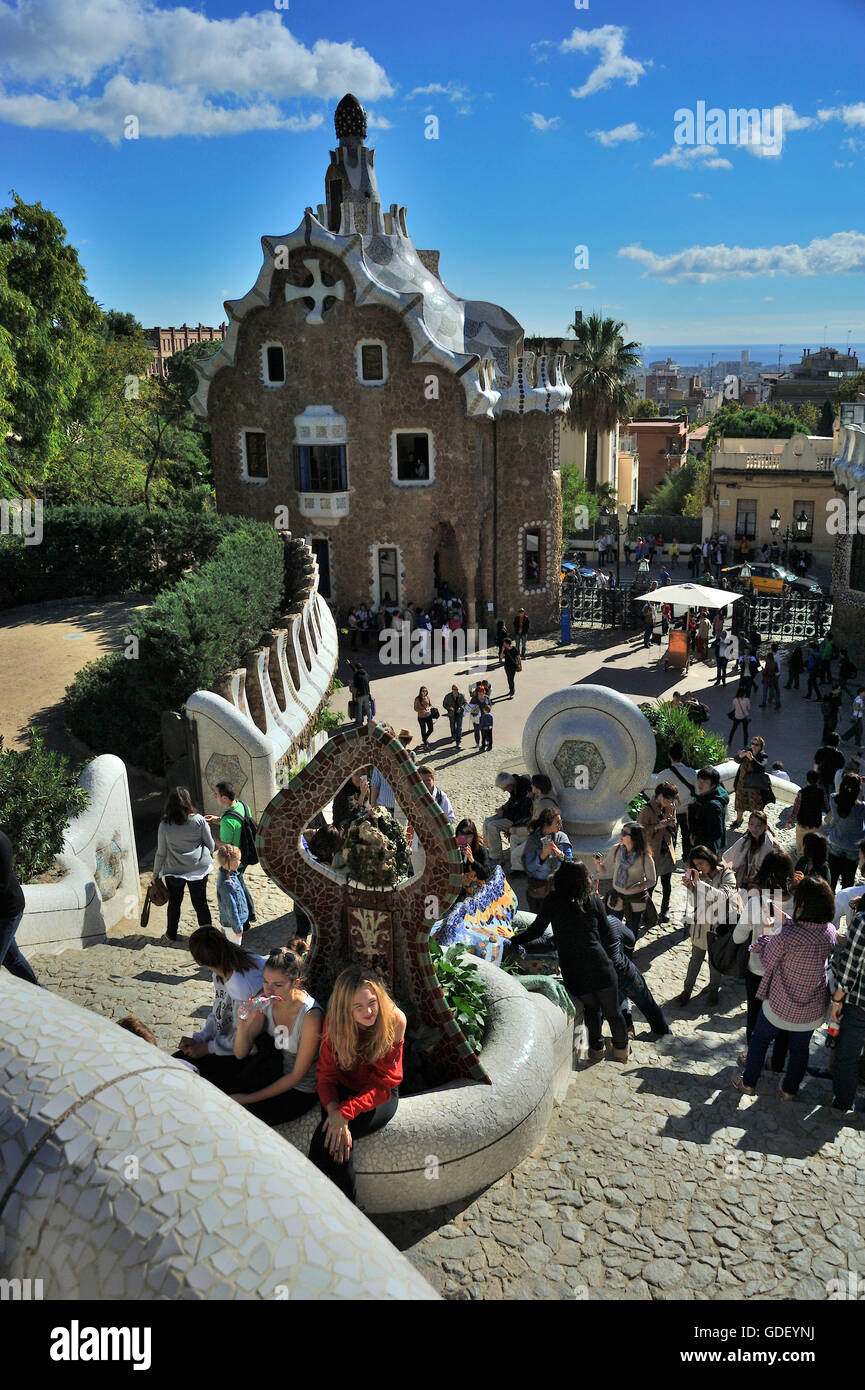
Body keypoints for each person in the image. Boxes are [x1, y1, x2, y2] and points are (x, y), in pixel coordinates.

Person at [511, 860, 631, 1060]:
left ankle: (596, 1049)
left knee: (592, 1009)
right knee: (613, 1012)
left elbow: (537, 929)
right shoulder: (593, 900)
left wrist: (515, 940)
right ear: (585, 879)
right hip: (599, 964)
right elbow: (606, 932)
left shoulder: (553, 900)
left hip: (574, 969)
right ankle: (620, 1051)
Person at [308, 966, 405, 1203]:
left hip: (379, 1093)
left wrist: (345, 1113)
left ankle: (321, 1204)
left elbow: (384, 1084)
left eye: (372, 1002)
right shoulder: (335, 1022)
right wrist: (334, 1112)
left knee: (325, 1142)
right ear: (345, 1009)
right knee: (338, 1144)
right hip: (342, 1087)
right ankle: (340, 1209)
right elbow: (326, 1076)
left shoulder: (394, 1020)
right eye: (358, 1007)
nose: (369, 1011)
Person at [734, 876, 837, 1100]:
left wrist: (769, 931)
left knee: (759, 1040)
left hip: (780, 1006)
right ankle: (789, 1090)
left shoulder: (786, 937)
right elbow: (807, 931)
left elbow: (768, 960)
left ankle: (748, 1083)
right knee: (800, 1051)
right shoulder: (829, 932)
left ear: (802, 905)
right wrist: (786, 920)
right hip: (811, 1009)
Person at [230, 946, 323, 1124]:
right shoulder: (265, 1000)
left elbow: (297, 1075)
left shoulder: (310, 1016)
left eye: (278, 985)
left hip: (300, 1088)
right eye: (265, 982)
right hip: (274, 1070)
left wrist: (246, 1099)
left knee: (244, 1119)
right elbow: (240, 1053)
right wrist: (243, 1027)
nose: (269, 990)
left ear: (295, 983)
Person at [177, 928, 268, 1090]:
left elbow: (244, 1038)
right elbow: (219, 1009)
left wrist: (206, 1048)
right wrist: (201, 1038)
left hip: (246, 1053)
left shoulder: (242, 987)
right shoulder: (226, 967)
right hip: (225, 1046)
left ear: (199, 963)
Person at [732, 850, 794, 1061]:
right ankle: (777, 1063)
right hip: (788, 974)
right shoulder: (799, 902)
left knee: (755, 1017)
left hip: (758, 970)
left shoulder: (755, 903)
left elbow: (738, 938)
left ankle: (753, 1059)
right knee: (784, 1022)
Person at [675, 846, 739, 1008]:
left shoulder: (727, 875)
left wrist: (699, 884)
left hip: (719, 926)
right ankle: (686, 991)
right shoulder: (699, 876)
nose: (699, 868)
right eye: (696, 865)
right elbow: (695, 903)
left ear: (710, 859)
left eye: (701, 863)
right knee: (695, 960)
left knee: (714, 962)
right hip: (701, 925)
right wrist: (691, 888)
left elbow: (723, 896)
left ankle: (713, 991)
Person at [152, 786, 214, 945]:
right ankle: (208, 936)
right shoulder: (199, 820)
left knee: (174, 903)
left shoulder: (164, 825)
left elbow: (161, 852)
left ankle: (171, 934)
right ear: (188, 802)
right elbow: (211, 845)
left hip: (174, 871)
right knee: (200, 903)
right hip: (198, 869)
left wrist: (155, 874)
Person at [829, 898, 865, 1113]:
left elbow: (850, 969)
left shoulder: (862, 922)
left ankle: (842, 1105)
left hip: (858, 1004)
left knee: (847, 1057)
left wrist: (837, 1001)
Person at [207, 781, 257, 924]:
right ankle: (251, 914)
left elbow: (224, 845)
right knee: (240, 883)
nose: (214, 796)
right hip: (245, 854)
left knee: (237, 889)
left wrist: (209, 834)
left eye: (216, 794)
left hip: (235, 860)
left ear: (224, 798)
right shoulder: (242, 805)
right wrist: (217, 819)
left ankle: (246, 917)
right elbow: (238, 823)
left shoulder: (227, 821)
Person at [596, 822, 656, 938]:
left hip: (635, 900)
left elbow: (651, 880)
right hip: (616, 898)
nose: (621, 835)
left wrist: (639, 886)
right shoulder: (616, 849)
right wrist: (598, 864)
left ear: (634, 837)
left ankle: (628, 954)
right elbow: (603, 870)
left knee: (631, 932)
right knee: (612, 930)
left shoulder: (645, 856)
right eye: (621, 831)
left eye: (624, 833)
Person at [0, 828, 37, 985]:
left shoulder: (1, 842)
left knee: (10, 959)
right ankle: (40, 994)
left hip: (8, 910)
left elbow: (2, 883)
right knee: (12, 959)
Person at [638, 782, 679, 923]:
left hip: (667, 849)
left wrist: (672, 823)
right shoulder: (647, 810)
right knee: (651, 884)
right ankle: (647, 912)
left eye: (671, 801)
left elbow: (674, 822)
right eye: (667, 800)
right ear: (659, 795)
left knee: (667, 882)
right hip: (652, 851)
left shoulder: (671, 807)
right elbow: (639, 832)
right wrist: (657, 826)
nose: (669, 803)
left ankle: (665, 909)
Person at [524, 807, 573, 905]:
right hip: (539, 889)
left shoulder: (562, 838)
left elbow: (571, 864)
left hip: (559, 888)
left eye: (561, 821)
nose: (561, 825)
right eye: (557, 823)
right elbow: (529, 868)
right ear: (547, 824)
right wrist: (542, 856)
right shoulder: (533, 840)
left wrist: (559, 853)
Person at [657, 742, 697, 861]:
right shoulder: (692, 773)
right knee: (687, 837)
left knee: (670, 837)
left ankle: (670, 860)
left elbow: (657, 794)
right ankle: (687, 860)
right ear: (683, 756)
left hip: (669, 811)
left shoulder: (663, 775)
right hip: (688, 811)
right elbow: (698, 792)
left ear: (669, 755)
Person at [825, 773, 865, 889]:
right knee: (848, 879)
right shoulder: (861, 807)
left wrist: (847, 784)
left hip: (836, 841)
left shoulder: (834, 799)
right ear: (858, 790)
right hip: (853, 846)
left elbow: (837, 793)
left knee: (832, 876)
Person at [723, 810, 780, 891]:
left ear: (765, 826)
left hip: (761, 881)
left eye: (759, 825)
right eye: (751, 824)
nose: (754, 828)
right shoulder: (745, 840)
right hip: (744, 876)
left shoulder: (771, 844)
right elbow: (733, 854)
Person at [483, 772, 533, 862]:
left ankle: (496, 857)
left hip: (519, 819)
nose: (504, 791)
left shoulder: (525, 788)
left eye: (505, 789)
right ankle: (489, 850)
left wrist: (504, 814)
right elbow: (513, 801)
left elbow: (523, 813)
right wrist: (504, 807)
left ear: (510, 785)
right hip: (511, 813)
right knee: (487, 821)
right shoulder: (514, 784)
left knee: (493, 825)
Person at [687, 766, 730, 860]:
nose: (700, 784)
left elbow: (717, 832)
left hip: (708, 846)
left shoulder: (712, 805)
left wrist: (698, 842)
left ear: (713, 785)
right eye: (699, 780)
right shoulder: (717, 792)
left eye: (705, 782)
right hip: (708, 842)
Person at [789, 770, 830, 859]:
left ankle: (801, 863)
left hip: (802, 825)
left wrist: (790, 820)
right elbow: (827, 807)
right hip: (815, 826)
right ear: (817, 781)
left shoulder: (801, 793)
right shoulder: (822, 793)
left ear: (807, 780)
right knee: (813, 848)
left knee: (800, 848)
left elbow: (796, 809)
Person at [731, 736, 770, 828]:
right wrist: (740, 756)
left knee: (755, 805)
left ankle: (756, 824)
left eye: (756, 744)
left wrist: (752, 759)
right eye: (752, 743)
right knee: (739, 802)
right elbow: (736, 759)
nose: (754, 746)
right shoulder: (747, 750)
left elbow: (761, 767)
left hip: (754, 786)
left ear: (761, 746)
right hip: (742, 783)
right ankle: (739, 820)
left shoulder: (763, 756)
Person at [215, 844, 249, 945]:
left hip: (234, 922)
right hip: (232, 925)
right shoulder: (226, 884)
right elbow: (231, 908)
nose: (240, 862)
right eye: (238, 860)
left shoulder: (232, 875)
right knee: (235, 949)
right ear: (230, 862)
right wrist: (237, 928)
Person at [814, 732, 845, 796]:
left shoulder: (820, 751)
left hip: (821, 778)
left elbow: (816, 766)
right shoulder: (840, 755)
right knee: (831, 799)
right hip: (833, 781)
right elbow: (840, 771)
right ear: (837, 743)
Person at [727, 683, 751, 751]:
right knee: (745, 731)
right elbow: (748, 708)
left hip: (737, 716)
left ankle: (729, 741)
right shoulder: (746, 700)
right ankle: (745, 744)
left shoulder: (735, 700)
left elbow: (734, 707)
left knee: (733, 730)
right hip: (744, 717)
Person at [443, 684, 467, 748]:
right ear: (452, 690)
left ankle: (458, 741)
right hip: (451, 714)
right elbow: (444, 704)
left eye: (456, 689)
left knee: (459, 727)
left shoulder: (461, 695)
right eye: (454, 689)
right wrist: (449, 708)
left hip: (459, 714)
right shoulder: (448, 696)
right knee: (452, 726)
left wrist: (461, 708)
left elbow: (465, 703)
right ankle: (453, 735)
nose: (455, 691)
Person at [841, 686, 865, 750]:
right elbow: (856, 707)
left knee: (854, 730)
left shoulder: (858, 698)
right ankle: (857, 743)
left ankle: (844, 738)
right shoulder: (859, 699)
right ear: (861, 692)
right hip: (857, 717)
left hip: (857, 716)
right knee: (859, 730)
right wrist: (863, 708)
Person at [760, 644, 782, 710]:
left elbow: (765, 672)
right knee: (774, 689)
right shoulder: (777, 656)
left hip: (767, 679)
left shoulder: (769, 663)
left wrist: (763, 671)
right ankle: (776, 701)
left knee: (766, 692)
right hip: (774, 676)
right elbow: (776, 669)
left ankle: (766, 702)